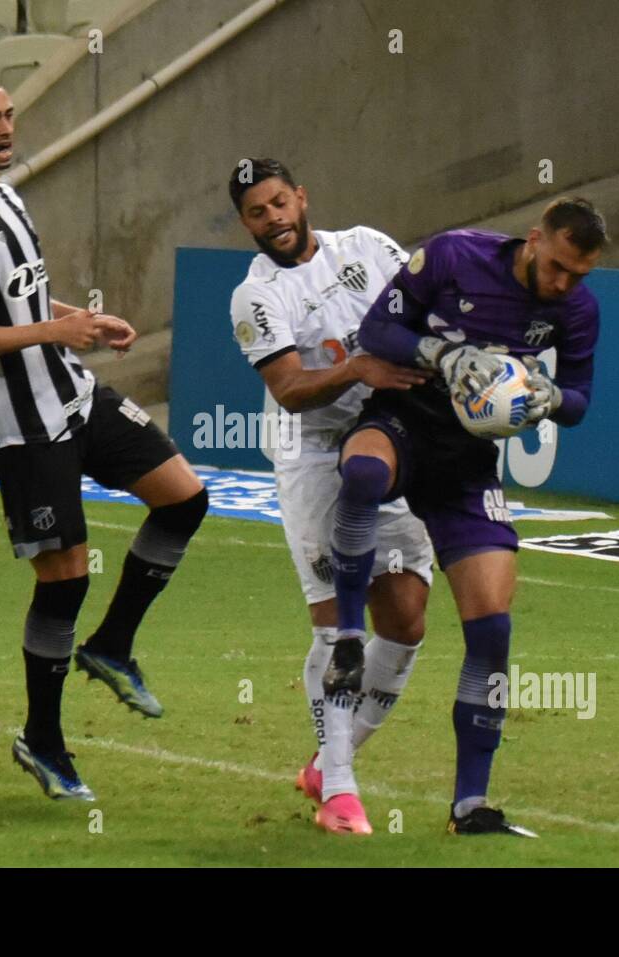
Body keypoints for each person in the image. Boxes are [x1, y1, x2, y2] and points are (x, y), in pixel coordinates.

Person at [0, 75, 207, 802]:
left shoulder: (9, 197)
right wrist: (57, 330)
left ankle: (112, 646)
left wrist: (83, 319)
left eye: (10, 115)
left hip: (72, 391)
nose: (6, 129)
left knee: (184, 498)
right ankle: (43, 739)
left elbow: (22, 297)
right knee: (65, 575)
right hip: (22, 426)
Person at [330, 197, 606, 836]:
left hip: (467, 462)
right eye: (558, 266)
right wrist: (442, 355)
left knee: (491, 629)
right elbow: (377, 332)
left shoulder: (578, 309)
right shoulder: (455, 255)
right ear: (535, 239)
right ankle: (347, 635)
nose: (563, 283)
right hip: (403, 420)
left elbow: (582, 402)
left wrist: (549, 395)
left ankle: (469, 806)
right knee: (364, 474)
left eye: (578, 275)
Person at [228, 158, 435, 835]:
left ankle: (326, 760)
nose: (274, 219)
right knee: (335, 626)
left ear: (302, 197)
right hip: (314, 456)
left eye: (280, 202)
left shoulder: (369, 249)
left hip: (388, 441)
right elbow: (289, 387)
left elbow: (424, 308)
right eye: (258, 212)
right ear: (246, 223)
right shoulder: (255, 295)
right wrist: (357, 367)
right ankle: (341, 790)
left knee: (405, 619)